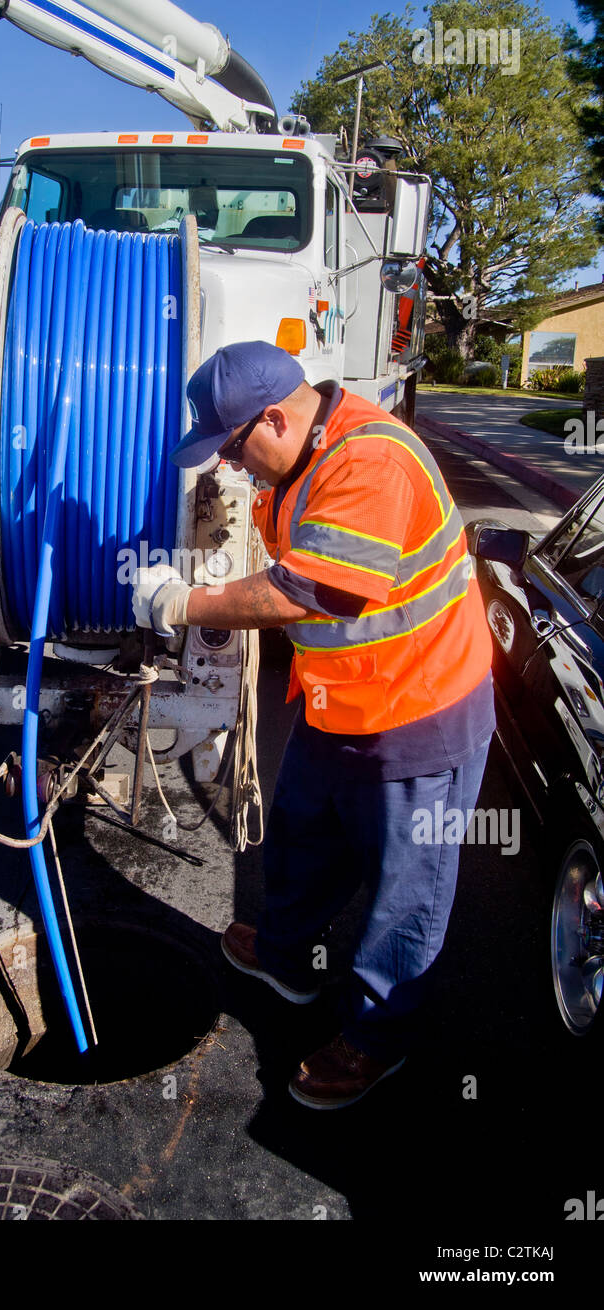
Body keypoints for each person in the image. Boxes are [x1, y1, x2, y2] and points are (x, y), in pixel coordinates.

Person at [132, 341, 495, 1109]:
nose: (229, 467)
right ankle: (289, 957)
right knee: (303, 836)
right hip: (340, 703)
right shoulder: (296, 463)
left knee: (406, 894)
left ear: (271, 418)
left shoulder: (373, 462)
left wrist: (185, 605)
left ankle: (374, 1041)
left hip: (421, 713)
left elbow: (311, 592)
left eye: (232, 448)